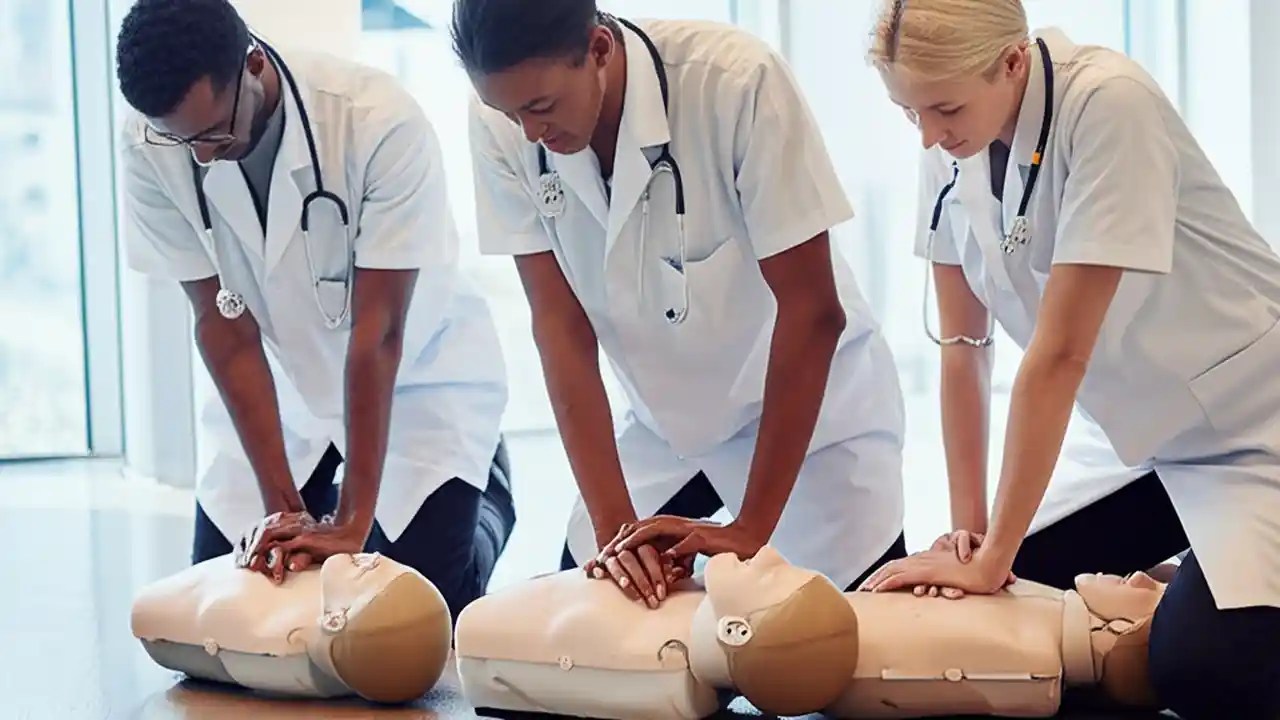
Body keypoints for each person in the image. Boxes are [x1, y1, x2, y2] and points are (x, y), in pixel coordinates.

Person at [856, 1, 1280, 717]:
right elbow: (964, 349)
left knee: (1204, 670)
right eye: (910, 113)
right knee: (1006, 598)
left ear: (1012, 61)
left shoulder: (1110, 104)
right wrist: (972, 541)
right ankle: (1175, 584)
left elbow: (1059, 356)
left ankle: (1185, 598)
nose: (928, 134)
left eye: (944, 108)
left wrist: (991, 561)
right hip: (1140, 441)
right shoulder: (952, 142)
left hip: (1250, 425)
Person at [451, 0, 908, 607]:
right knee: (597, 628)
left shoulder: (735, 82)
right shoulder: (503, 120)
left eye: (541, 107)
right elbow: (559, 328)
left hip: (811, 423)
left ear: (599, 49)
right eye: (508, 113)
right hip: (665, 429)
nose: (530, 132)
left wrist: (750, 528)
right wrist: (616, 530)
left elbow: (813, 312)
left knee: (838, 646)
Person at [115, 0, 515, 621]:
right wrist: (282, 510)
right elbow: (223, 328)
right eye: (182, 140)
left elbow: (379, 333)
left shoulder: (375, 121)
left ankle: (487, 486)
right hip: (286, 385)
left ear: (253, 64)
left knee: (416, 610)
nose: (201, 157)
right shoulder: (150, 142)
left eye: (214, 134)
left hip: (414, 376)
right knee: (228, 613)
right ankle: (317, 494)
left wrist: (352, 522)